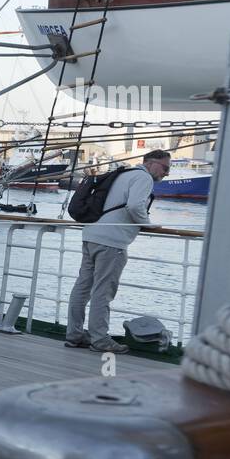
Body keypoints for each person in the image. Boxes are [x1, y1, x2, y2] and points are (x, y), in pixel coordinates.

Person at [65, 149, 171, 354]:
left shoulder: (124, 173)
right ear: (150, 163)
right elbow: (134, 206)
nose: (167, 173)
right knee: (103, 292)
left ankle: (74, 335)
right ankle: (99, 339)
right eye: (165, 168)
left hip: (92, 234)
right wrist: (148, 225)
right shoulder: (143, 178)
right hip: (112, 242)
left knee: (83, 287)